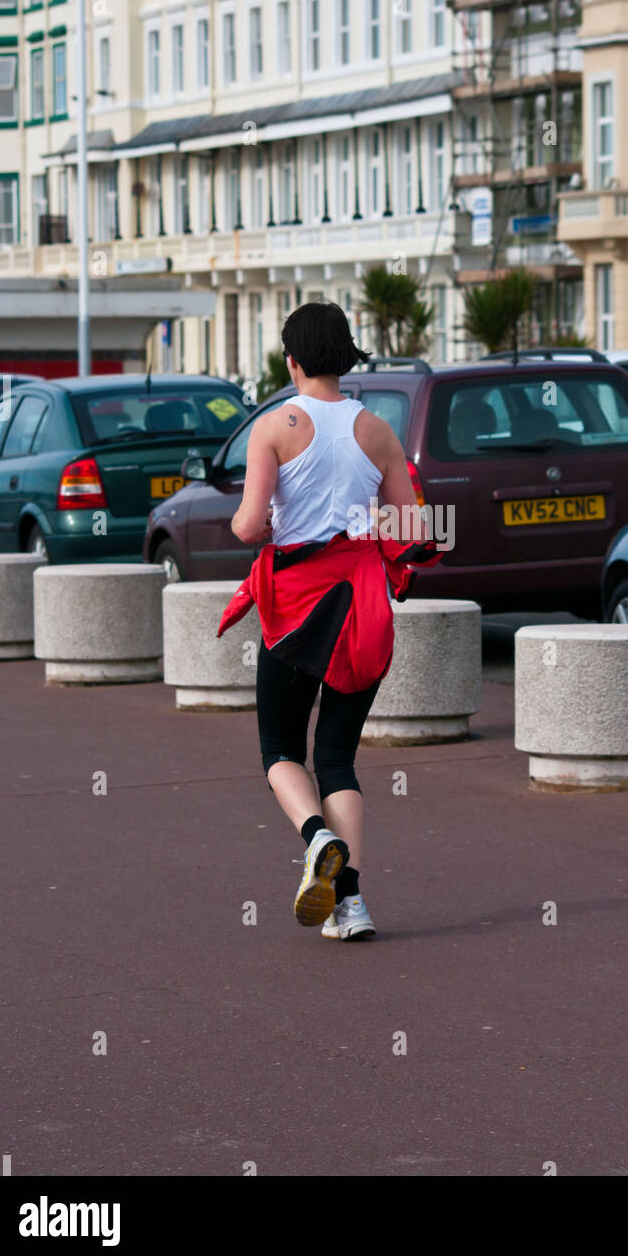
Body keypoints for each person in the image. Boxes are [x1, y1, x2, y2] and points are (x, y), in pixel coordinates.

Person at [223, 301, 439, 941]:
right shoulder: (378, 430)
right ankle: (352, 907)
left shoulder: (274, 426)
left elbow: (246, 524)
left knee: (280, 750)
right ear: (346, 357)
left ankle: (315, 838)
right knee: (339, 757)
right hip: (362, 608)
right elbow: (412, 530)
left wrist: (260, 524)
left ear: (291, 360)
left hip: (297, 608)